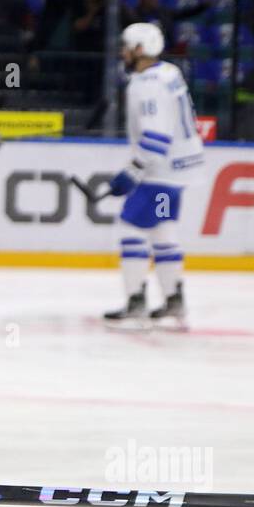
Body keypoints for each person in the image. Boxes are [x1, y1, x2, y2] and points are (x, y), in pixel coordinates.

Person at [103, 23, 205, 329]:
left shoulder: (146, 83)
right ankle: (174, 299)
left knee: (131, 228)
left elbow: (156, 137)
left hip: (159, 172)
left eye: (126, 47)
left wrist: (131, 172)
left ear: (138, 50)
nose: (122, 53)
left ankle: (135, 300)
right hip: (180, 171)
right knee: (162, 230)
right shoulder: (170, 72)